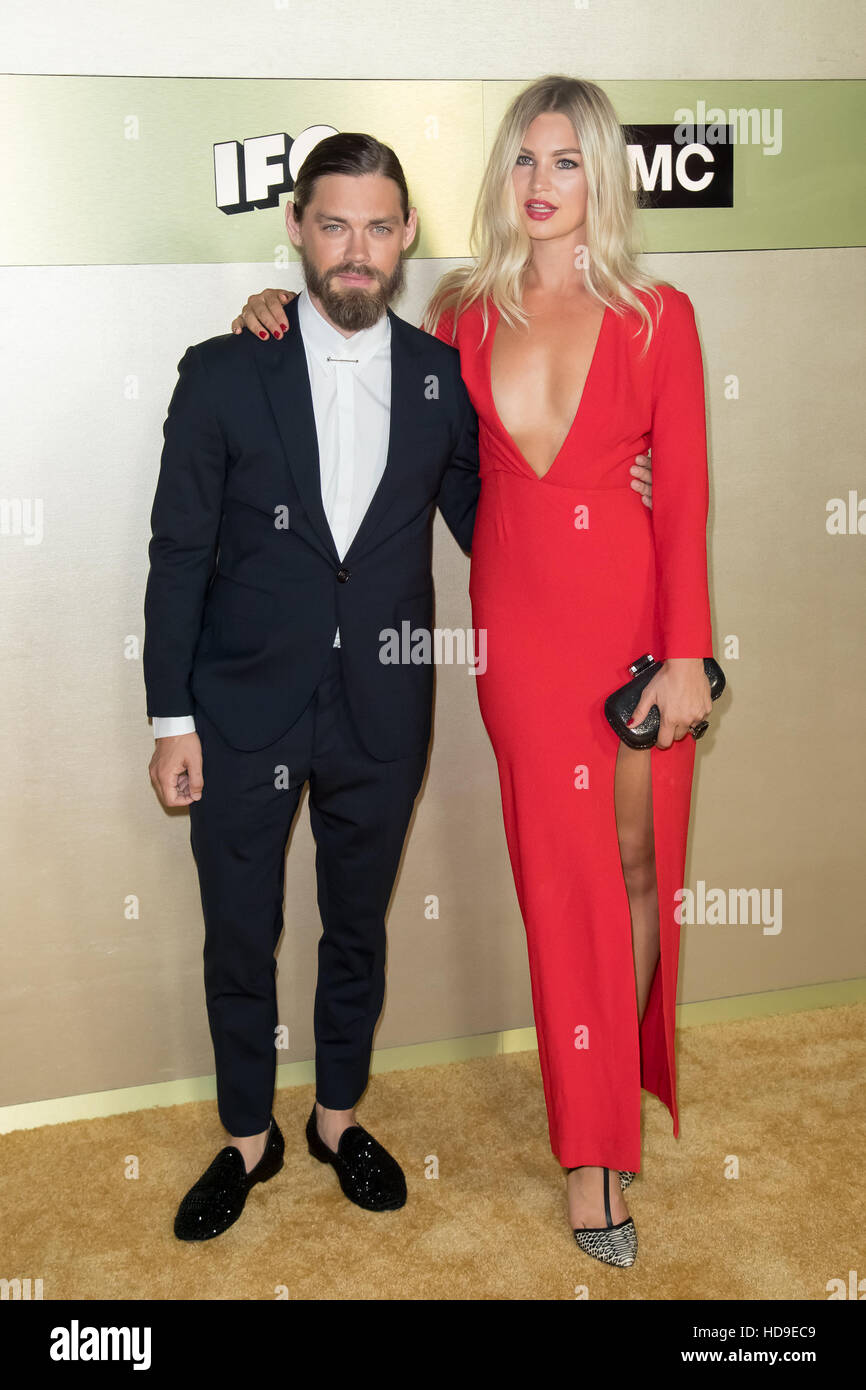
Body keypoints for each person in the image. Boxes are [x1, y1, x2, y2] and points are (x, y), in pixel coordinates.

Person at [231, 73, 713, 1269]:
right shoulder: (461, 311)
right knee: (566, 890)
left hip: (635, 622)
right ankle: (591, 1154)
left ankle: (632, 1062)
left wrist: (690, 649)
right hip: (523, 634)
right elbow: (375, 383)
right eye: (522, 161)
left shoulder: (661, 316)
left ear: (602, 174)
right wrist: (272, 319)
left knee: (640, 868)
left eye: (565, 161)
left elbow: (685, 497)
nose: (541, 185)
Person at [144, 132, 483, 1240]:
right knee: (239, 932)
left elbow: (499, 527)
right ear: (296, 228)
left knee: (356, 929)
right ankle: (249, 1133)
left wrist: (610, 484)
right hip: (239, 710)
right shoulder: (224, 368)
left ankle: (337, 1117)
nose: (355, 251)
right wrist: (169, 717)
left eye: (378, 227)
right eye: (331, 224)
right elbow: (178, 554)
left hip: (382, 710)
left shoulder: (439, 377)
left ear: (406, 239)